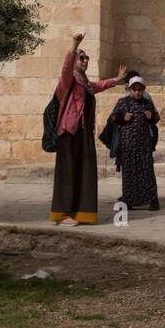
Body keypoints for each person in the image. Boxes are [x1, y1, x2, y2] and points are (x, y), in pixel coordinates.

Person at [49, 33, 127, 225]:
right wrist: (75, 44)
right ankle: (64, 214)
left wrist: (116, 80)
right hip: (69, 132)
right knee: (69, 172)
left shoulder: (84, 82)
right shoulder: (69, 80)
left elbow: (97, 86)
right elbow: (66, 67)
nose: (84, 61)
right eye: (81, 58)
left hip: (82, 133)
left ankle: (81, 213)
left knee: (83, 172)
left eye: (86, 58)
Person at [109, 74, 160, 211]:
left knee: (147, 173)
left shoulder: (147, 103)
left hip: (144, 145)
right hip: (127, 145)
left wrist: (151, 117)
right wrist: (122, 117)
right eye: (134, 89)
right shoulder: (122, 102)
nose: (137, 92)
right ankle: (129, 200)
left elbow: (156, 117)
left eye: (140, 89)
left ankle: (152, 200)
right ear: (129, 89)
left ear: (143, 89)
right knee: (129, 173)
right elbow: (113, 118)